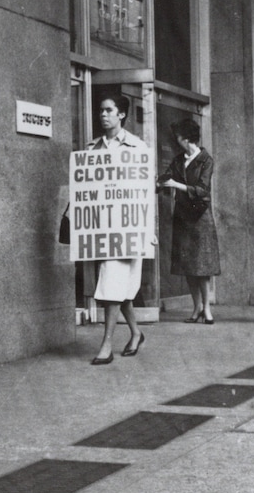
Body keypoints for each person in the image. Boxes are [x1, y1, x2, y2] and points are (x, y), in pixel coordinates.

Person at [87, 94, 146, 364]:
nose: (103, 115)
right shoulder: (92, 150)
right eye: (101, 110)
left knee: (113, 281)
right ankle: (135, 332)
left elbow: (145, 192)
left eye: (109, 110)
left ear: (122, 114)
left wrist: (148, 229)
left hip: (128, 228)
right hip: (102, 228)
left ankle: (107, 344)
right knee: (116, 283)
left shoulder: (136, 147)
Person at [157, 117, 220, 323]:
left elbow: (202, 190)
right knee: (188, 267)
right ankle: (197, 308)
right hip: (183, 217)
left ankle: (207, 309)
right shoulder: (178, 160)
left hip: (200, 218)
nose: (176, 140)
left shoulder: (206, 160)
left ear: (185, 138)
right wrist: (158, 182)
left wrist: (176, 185)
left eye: (178, 137)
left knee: (202, 267)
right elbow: (166, 178)